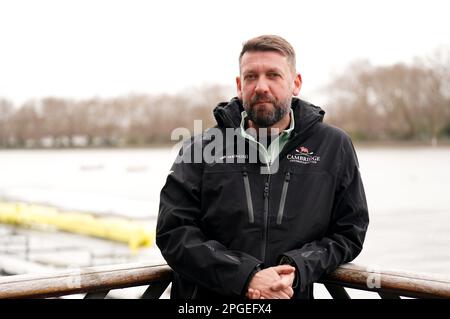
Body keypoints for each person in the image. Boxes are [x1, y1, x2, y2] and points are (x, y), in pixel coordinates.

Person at [156, 35, 369, 299]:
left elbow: (350, 232)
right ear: (239, 85)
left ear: (296, 84)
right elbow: (173, 233)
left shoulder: (333, 146)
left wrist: (298, 267)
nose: (261, 87)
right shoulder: (199, 147)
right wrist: (246, 276)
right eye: (250, 77)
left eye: (273, 75)